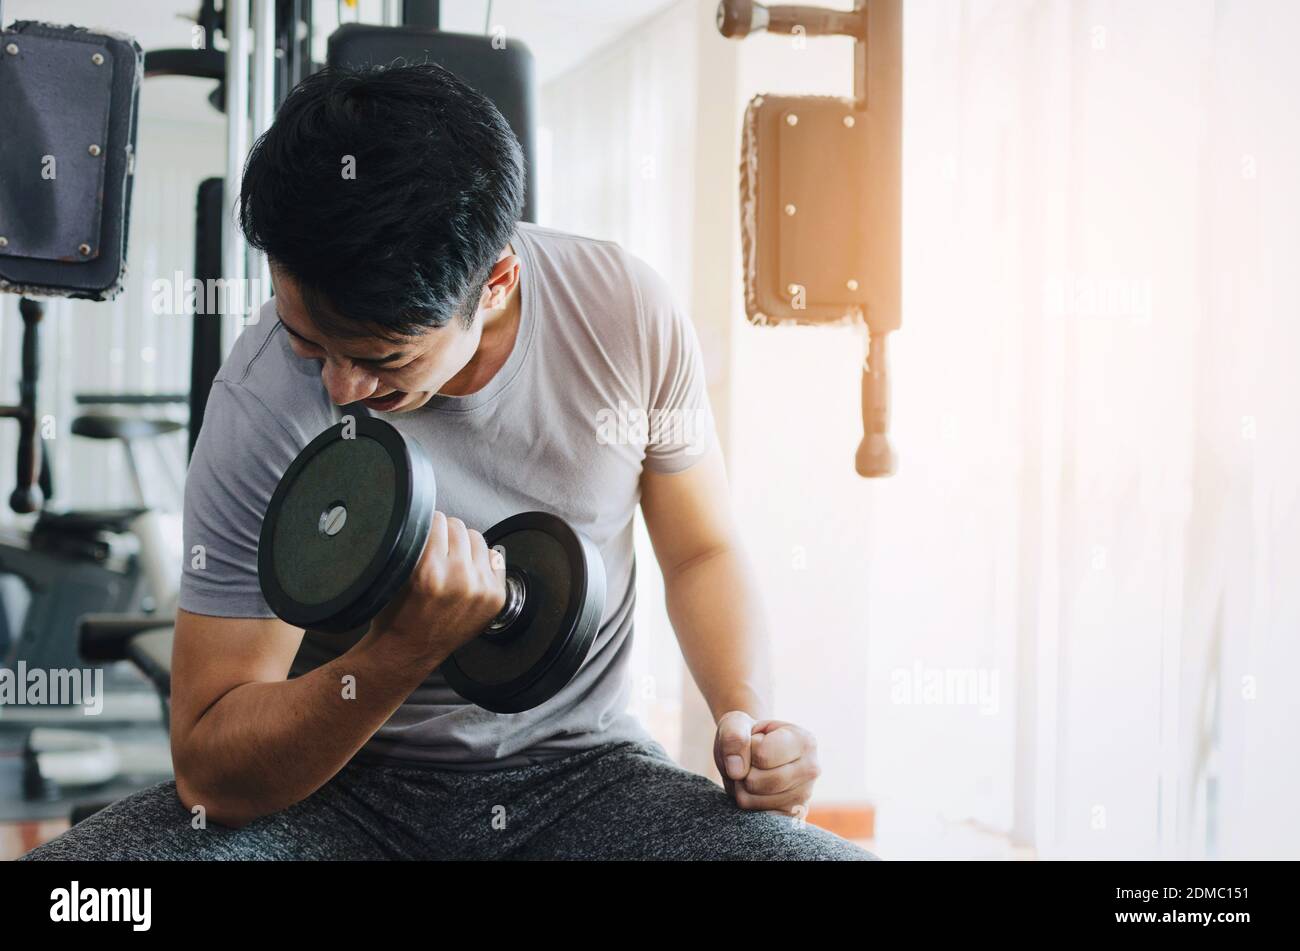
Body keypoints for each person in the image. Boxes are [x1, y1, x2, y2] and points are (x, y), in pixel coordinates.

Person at [25, 63, 871, 860]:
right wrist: (399, 652)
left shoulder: (623, 312)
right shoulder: (262, 399)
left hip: (585, 778)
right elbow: (212, 772)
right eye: (305, 338)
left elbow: (701, 549)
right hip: (329, 792)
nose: (340, 386)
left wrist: (749, 723)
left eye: (383, 357)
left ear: (496, 281)